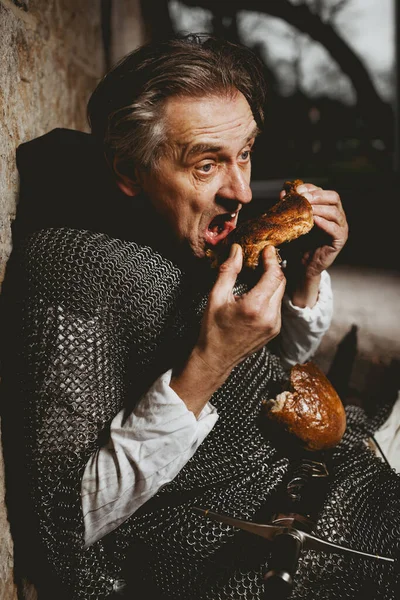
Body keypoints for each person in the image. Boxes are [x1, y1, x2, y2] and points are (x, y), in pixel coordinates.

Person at [1, 34, 398, 600]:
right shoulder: (77, 271)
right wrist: (211, 360)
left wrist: (307, 276)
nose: (240, 190)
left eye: (245, 154)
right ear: (129, 171)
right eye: (207, 164)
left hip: (327, 478)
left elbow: (258, 381)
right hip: (246, 553)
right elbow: (64, 526)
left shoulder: (190, 239)